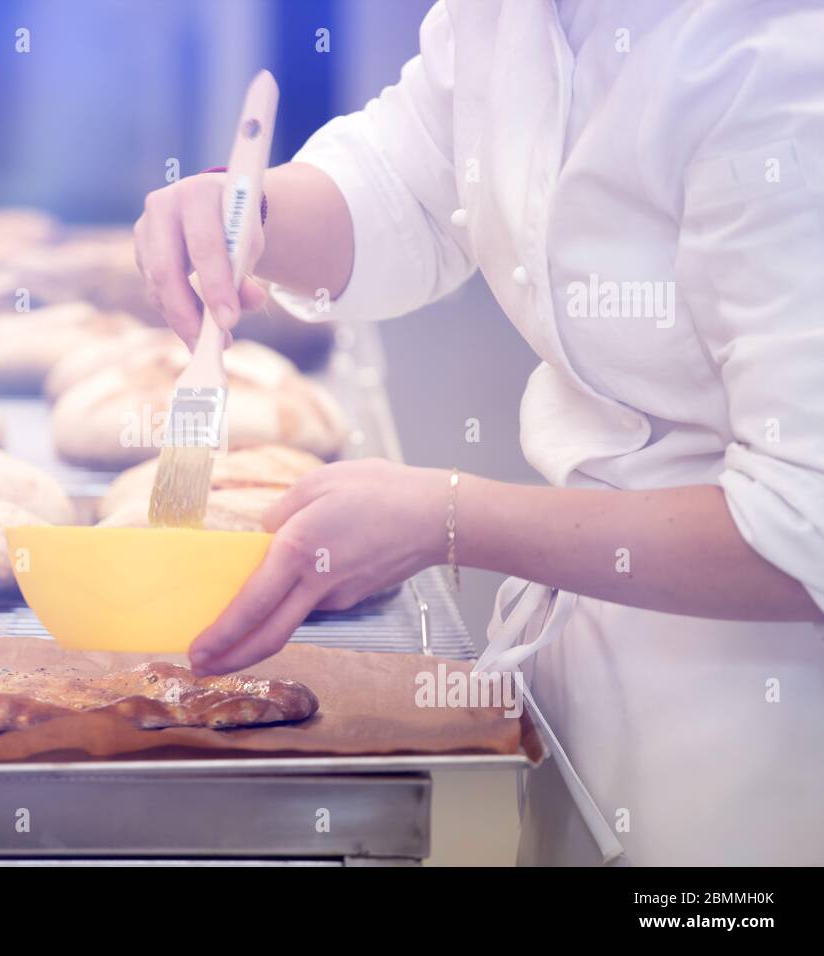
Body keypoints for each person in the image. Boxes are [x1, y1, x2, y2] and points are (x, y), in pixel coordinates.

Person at [132, 0, 824, 866]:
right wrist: (245, 214)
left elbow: (803, 524)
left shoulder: (776, 58)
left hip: (756, 771)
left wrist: (449, 520)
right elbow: (407, 186)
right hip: (581, 680)